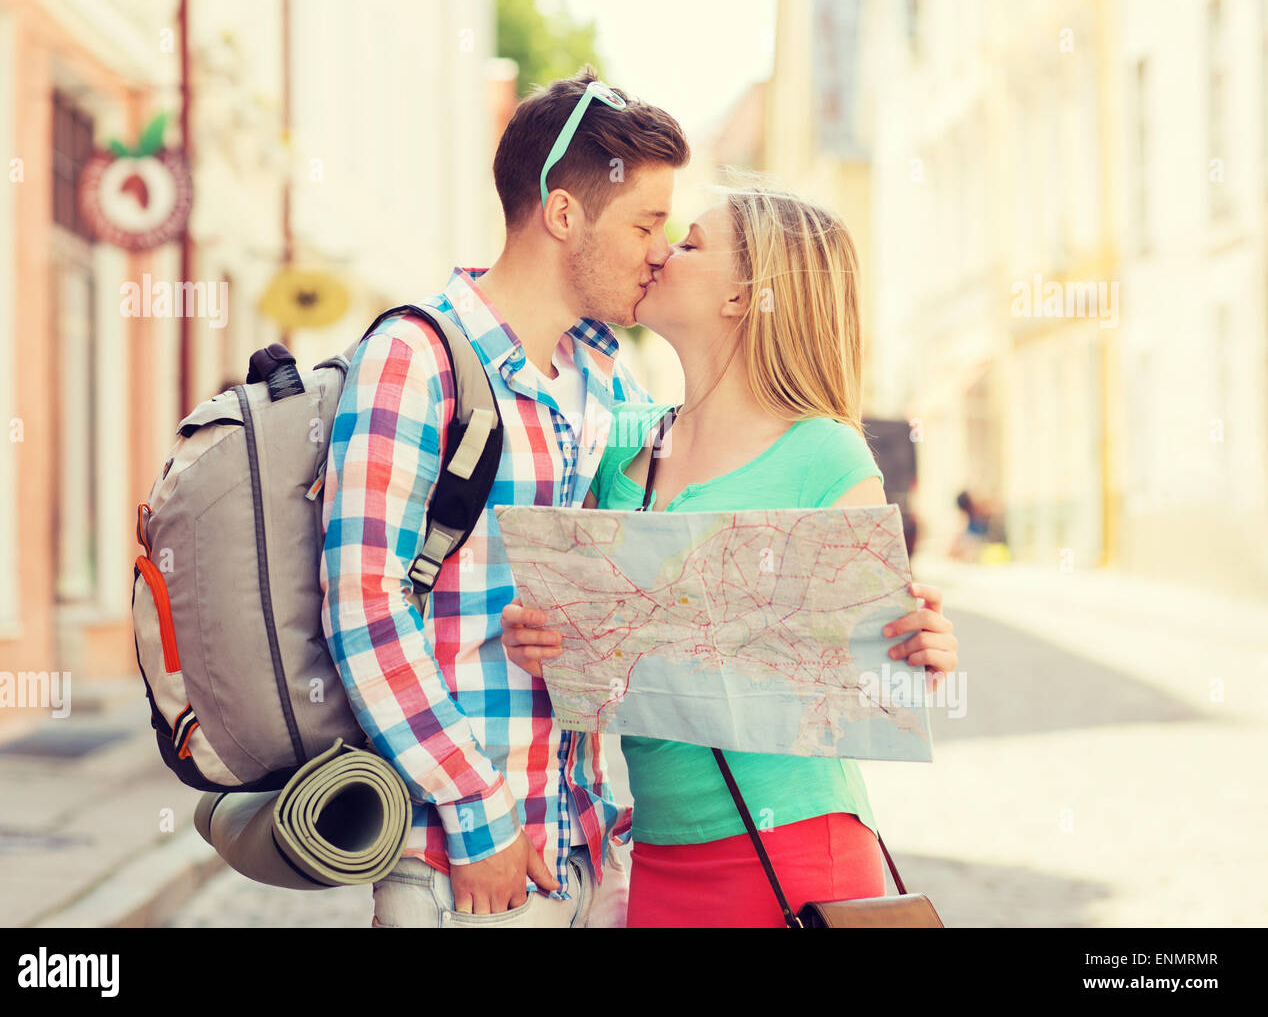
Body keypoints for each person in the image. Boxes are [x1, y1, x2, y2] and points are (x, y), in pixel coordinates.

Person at [501, 184, 960, 927]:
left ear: (746, 297)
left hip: (796, 852)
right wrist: (544, 640)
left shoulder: (823, 452)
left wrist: (922, 649)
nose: (659, 250)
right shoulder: (622, 442)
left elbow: (880, 669)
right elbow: (595, 647)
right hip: (654, 852)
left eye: (689, 244)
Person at [320, 66, 689, 927]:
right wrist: (479, 816)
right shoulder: (418, 359)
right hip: (468, 867)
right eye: (645, 223)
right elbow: (363, 605)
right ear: (564, 214)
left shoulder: (605, 378)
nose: (661, 250)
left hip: (586, 849)